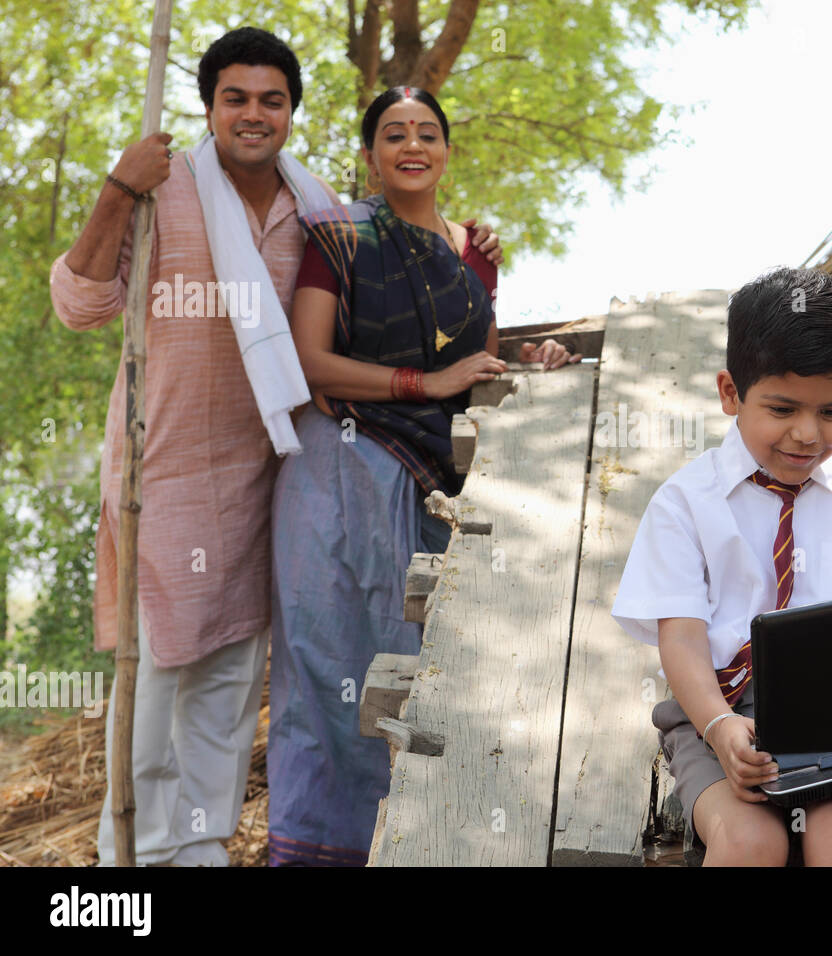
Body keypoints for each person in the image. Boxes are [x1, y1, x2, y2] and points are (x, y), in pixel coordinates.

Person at [47, 28, 502, 866]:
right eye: (236, 98)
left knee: (233, 671)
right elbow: (80, 305)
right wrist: (116, 189)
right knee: (158, 670)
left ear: (291, 112)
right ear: (209, 107)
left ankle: (201, 847)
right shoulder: (163, 187)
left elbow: (381, 298)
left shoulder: (315, 208)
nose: (254, 115)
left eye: (272, 100)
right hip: (167, 464)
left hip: (270, 464)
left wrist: (467, 258)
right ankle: (137, 858)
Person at [268, 86, 578, 866]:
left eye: (427, 133)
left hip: (437, 484)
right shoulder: (339, 237)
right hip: (340, 467)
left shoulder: (473, 252)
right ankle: (321, 851)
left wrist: (533, 361)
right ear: (371, 154)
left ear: (446, 151)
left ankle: (422, 843)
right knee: (330, 664)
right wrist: (421, 384)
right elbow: (308, 365)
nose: (413, 145)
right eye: (394, 134)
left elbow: (477, 361)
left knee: (432, 664)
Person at [611, 268, 832, 866]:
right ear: (731, 393)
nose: (807, 434)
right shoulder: (685, 502)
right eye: (782, 408)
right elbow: (682, 637)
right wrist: (720, 726)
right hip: (718, 710)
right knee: (754, 840)